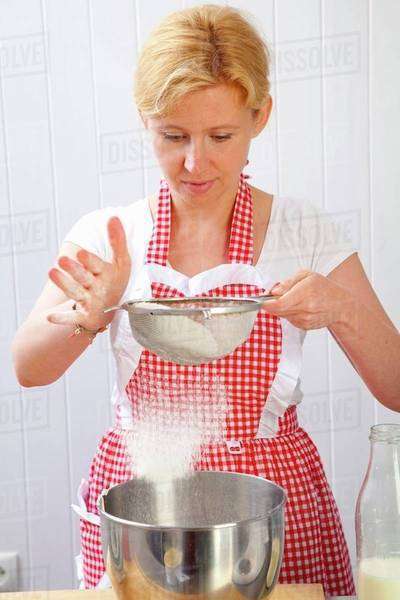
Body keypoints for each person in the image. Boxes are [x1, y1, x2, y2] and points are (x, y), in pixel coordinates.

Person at [11, 4, 400, 597]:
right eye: (173, 136)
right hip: (146, 509)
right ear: (145, 120)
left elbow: (395, 388)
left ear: (259, 116)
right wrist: (89, 318)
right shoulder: (110, 237)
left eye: (221, 136)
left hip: (268, 521)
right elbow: (27, 368)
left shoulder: (305, 232)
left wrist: (340, 309)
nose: (195, 162)